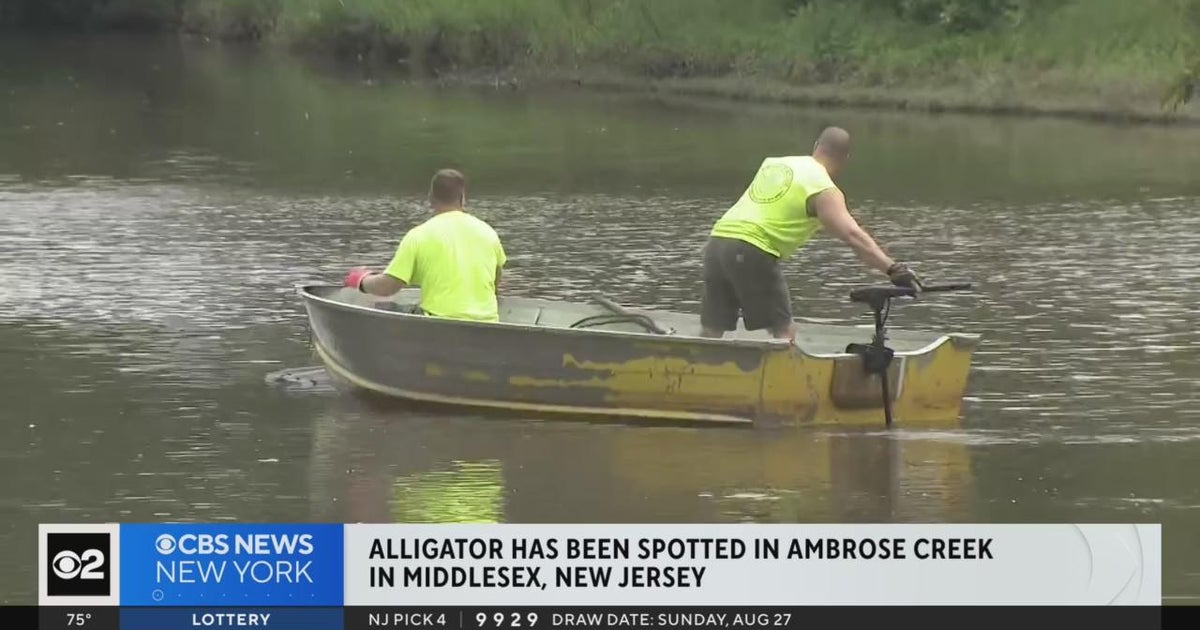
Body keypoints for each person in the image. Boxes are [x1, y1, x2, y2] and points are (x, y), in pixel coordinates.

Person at [700, 127, 921, 341]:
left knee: (712, 329)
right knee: (783, 331)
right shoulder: (823, 189)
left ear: (816, 146)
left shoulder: (776, 164)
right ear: (845, 158)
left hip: (717, 241)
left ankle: (697, 368)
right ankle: (782, 376)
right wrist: (894, 269)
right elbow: (853, 236)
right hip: (752, 248)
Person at [343, 168, 507, 322]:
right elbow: (495, 280)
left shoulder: (418, 236)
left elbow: (388, 287)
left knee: (382, 307)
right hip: (488, 322)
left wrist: (361, 280)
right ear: (463, 198)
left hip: (437, 323)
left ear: (431, 199)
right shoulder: (488, 233)